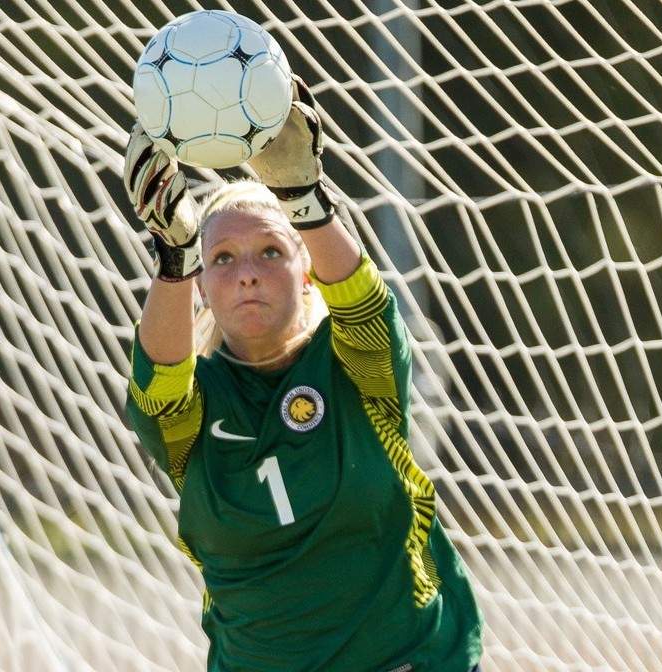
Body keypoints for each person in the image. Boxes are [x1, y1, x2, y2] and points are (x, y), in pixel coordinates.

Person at [122, 77, 484, 672]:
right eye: (220, 259)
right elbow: (157, 386)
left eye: (270, 251)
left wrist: (304, 199)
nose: (246, 273)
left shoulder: (354, 367)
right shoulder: (193, 411)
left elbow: (366, 304)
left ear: (307, 271)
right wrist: (173, 257)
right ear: (203, 290)